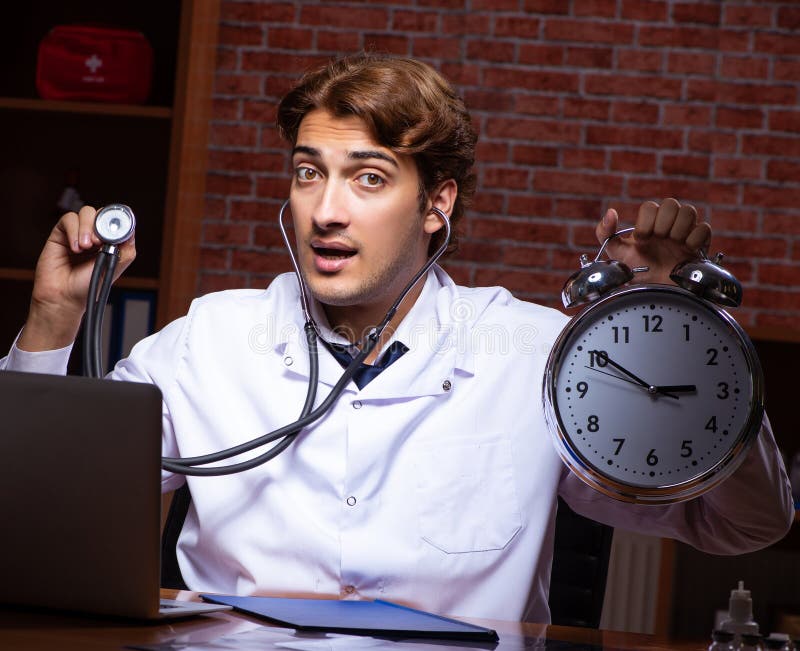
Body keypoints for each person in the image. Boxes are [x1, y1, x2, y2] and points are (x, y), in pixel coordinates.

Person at [2, 53, 793, 623]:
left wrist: (678, 328)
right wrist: (50, 320)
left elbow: (744, 523)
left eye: (369, 177)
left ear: (436, 203)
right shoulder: (210, 338)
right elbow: (33, 524)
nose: (326, 210)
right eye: (309, 172)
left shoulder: (539, 355)